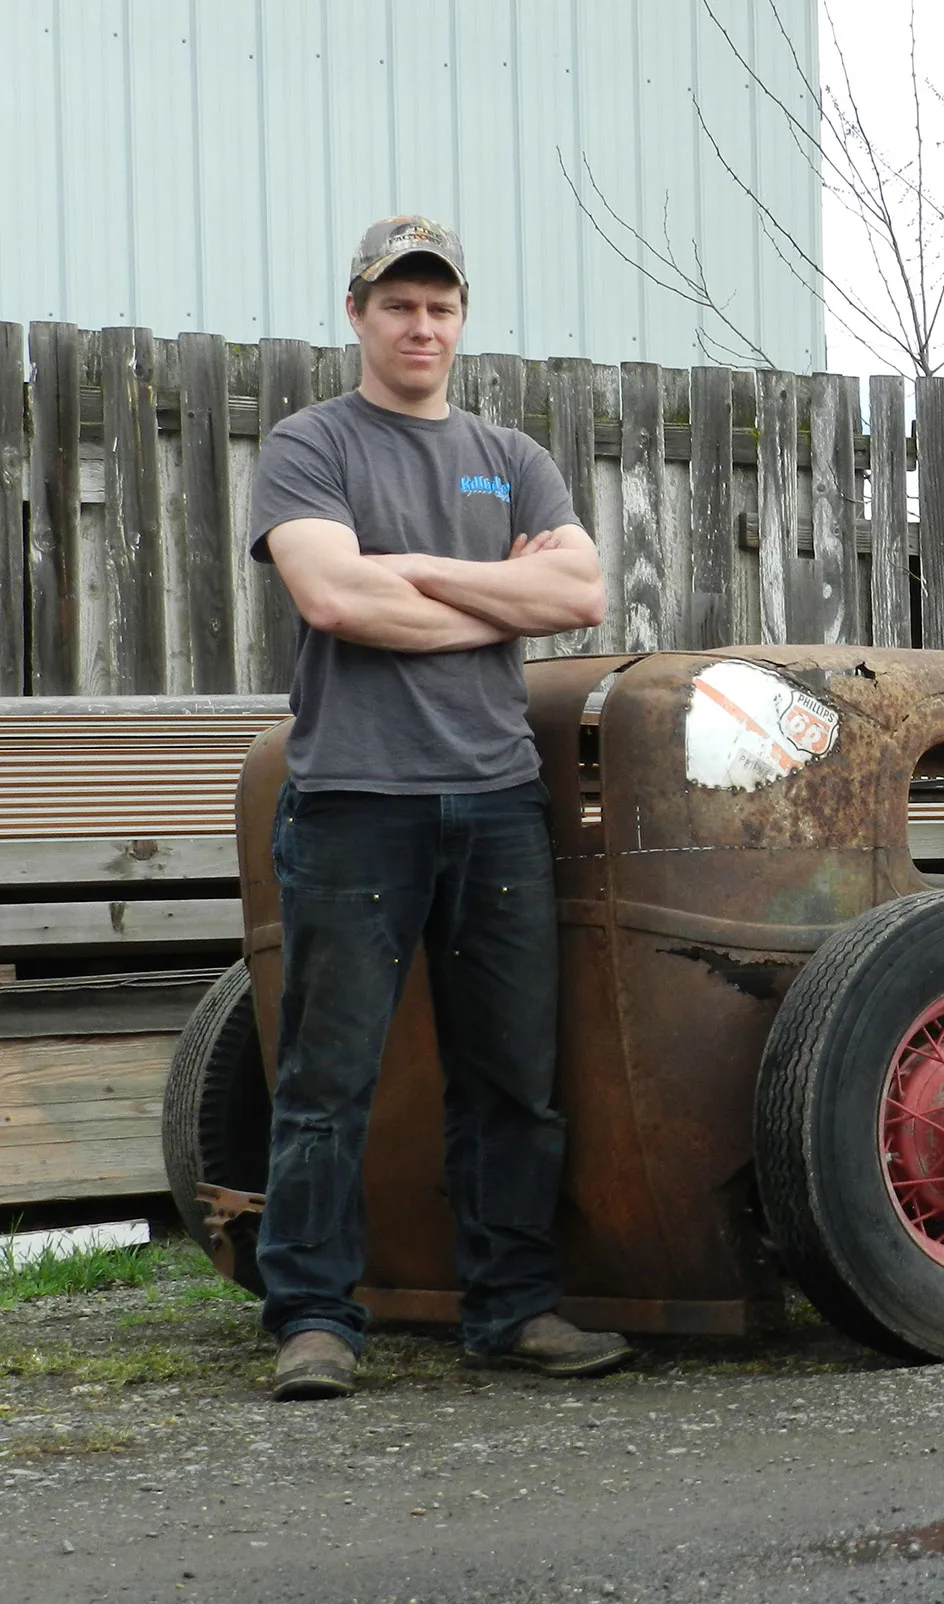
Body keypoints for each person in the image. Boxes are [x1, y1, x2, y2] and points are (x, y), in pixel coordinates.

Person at [247, 216, 630, 1399]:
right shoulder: (309, 444)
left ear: (461, 318)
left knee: (511, 1078)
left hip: (499, 801)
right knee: (327, 1080)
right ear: (357, 313)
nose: (422, 326)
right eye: (398, 305)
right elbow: (331, 599)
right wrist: (502, 601)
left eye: (440, 307)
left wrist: (410, 570)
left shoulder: (509, 455)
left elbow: (581, 591)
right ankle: (315, 1318)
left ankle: (512, 1310)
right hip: (357, 801)